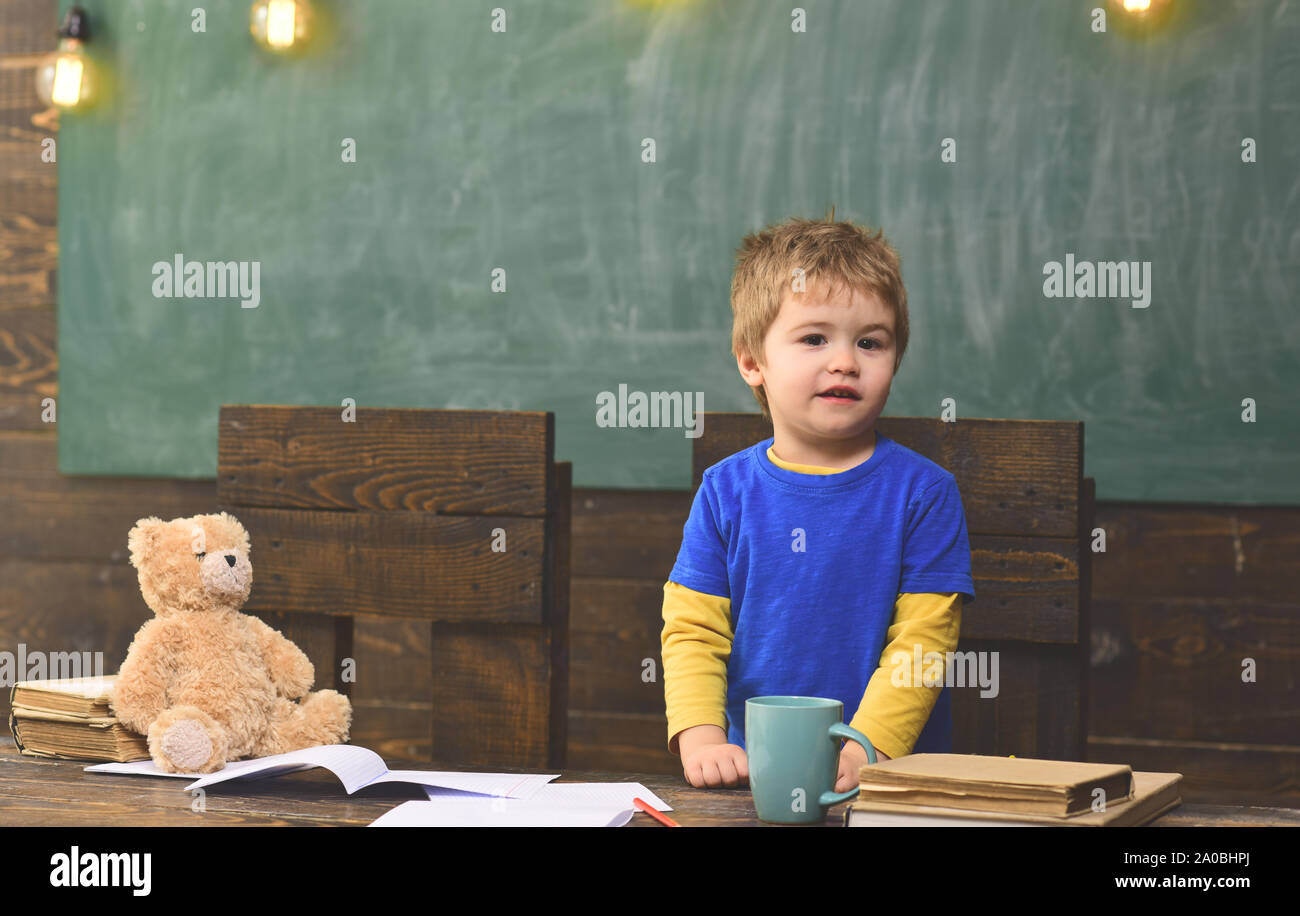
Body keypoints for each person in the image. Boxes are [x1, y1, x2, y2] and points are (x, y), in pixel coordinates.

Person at [662, 213, 976, 791]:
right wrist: (703, 736)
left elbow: (924, 643)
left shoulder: (925, 494)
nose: (845, 361)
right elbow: (693, 629)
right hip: (756, 778)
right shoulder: (724, 491)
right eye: (814, 338)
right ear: (752, 360)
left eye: (870, 342)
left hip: (889, 785)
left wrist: (865, 751)